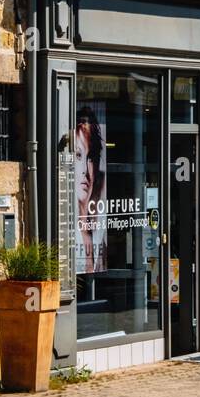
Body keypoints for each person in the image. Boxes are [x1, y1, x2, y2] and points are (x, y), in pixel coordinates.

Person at [75, 106, 107, 273]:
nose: (85, 172)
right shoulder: (63, 228)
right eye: (78, 156)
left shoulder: (100, 234)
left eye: (90, 159)